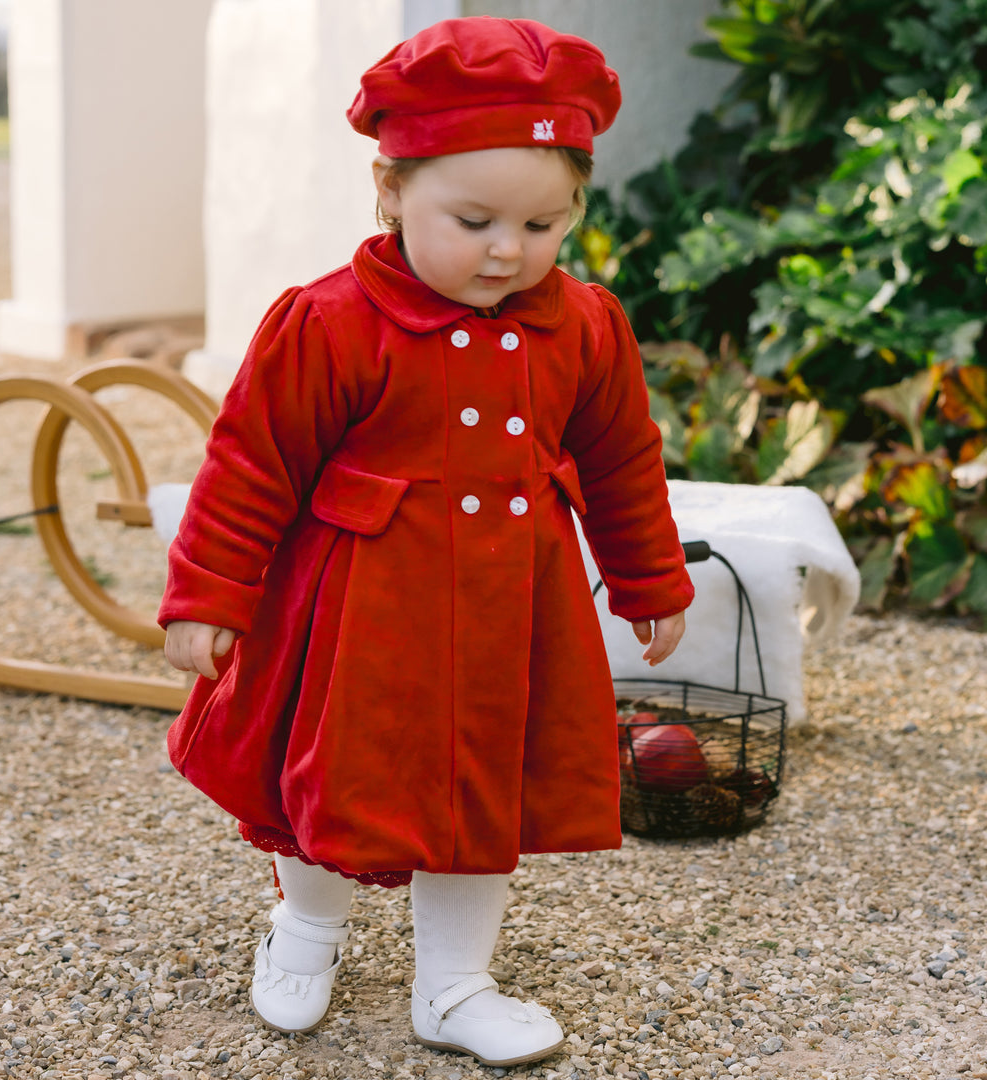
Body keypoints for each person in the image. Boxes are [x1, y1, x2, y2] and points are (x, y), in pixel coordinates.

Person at [159, 16, 694, 1068]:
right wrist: (209, 593)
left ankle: (455, 986)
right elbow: (252, 462)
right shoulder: (328, 323)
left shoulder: (584, 326)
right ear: (391, 190)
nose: (508, 250)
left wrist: (649, 579)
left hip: (512, 616)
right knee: (334, 779)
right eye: (475, 219)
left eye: (542, 224)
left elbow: (622, 459)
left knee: (483, 789)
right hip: (361, 615)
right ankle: (305, 928)